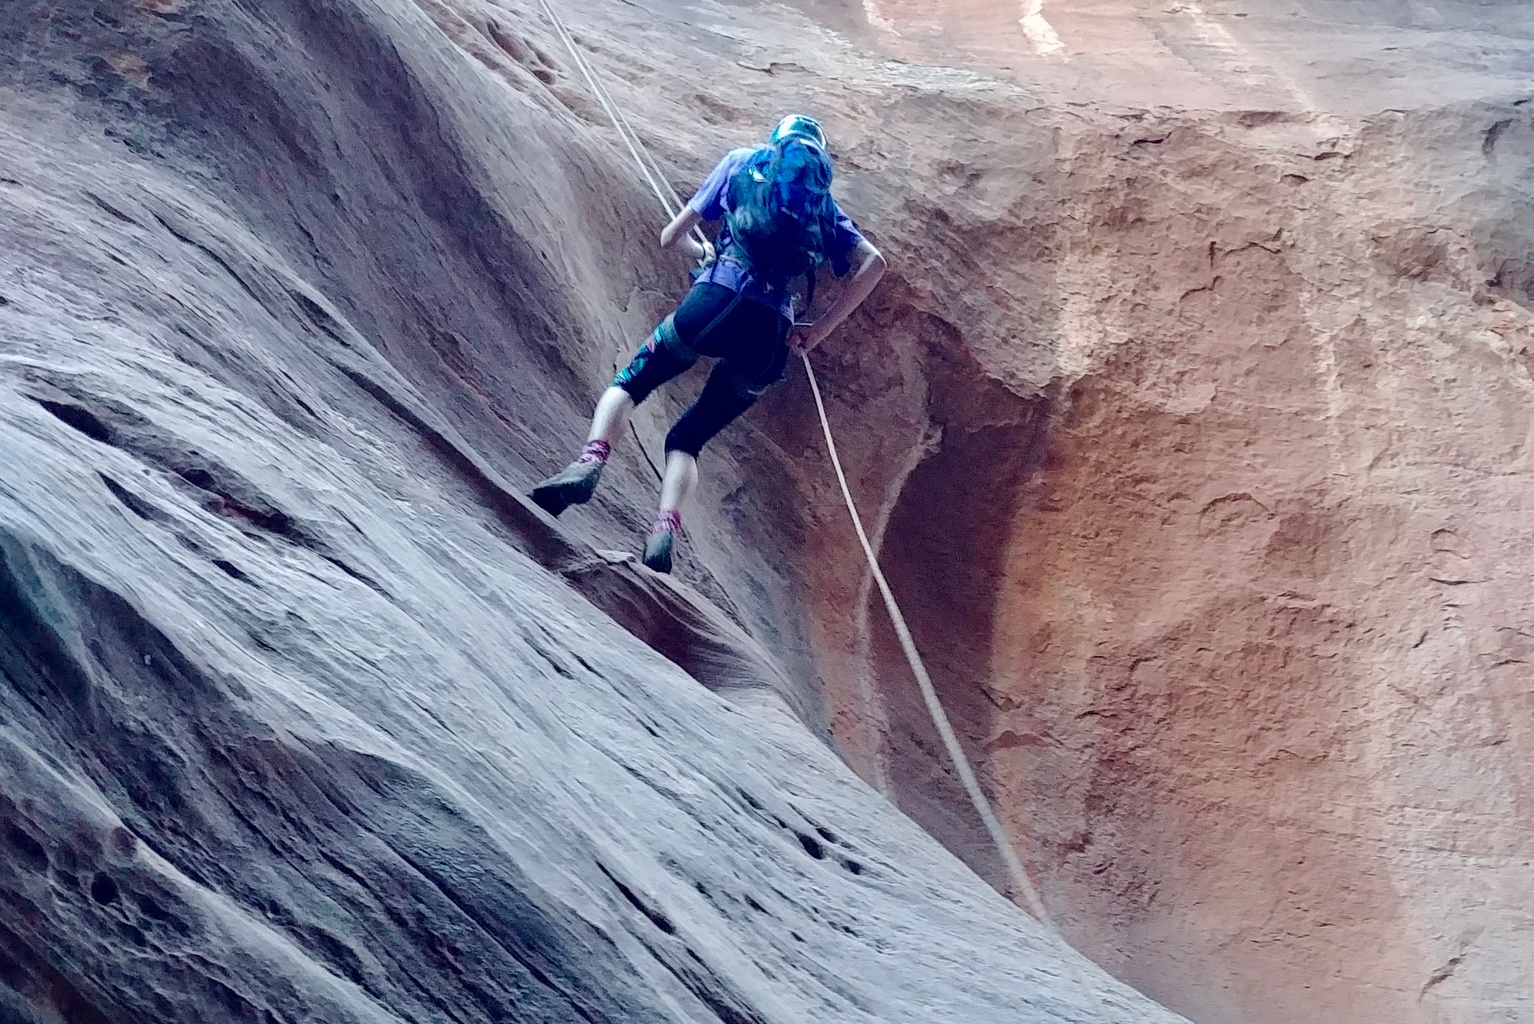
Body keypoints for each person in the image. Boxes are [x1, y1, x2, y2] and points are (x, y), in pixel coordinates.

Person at [530, 114, 887, 573]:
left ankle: (589, 463)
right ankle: (665, 528)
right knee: (688, 438)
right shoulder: (824, 208)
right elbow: (874, 263)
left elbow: (670, 237)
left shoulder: (741, 164)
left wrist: (703, 252)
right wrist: (818, 330)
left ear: (775, 145)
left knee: (632, 383)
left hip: (717, 300)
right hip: (771, 334)